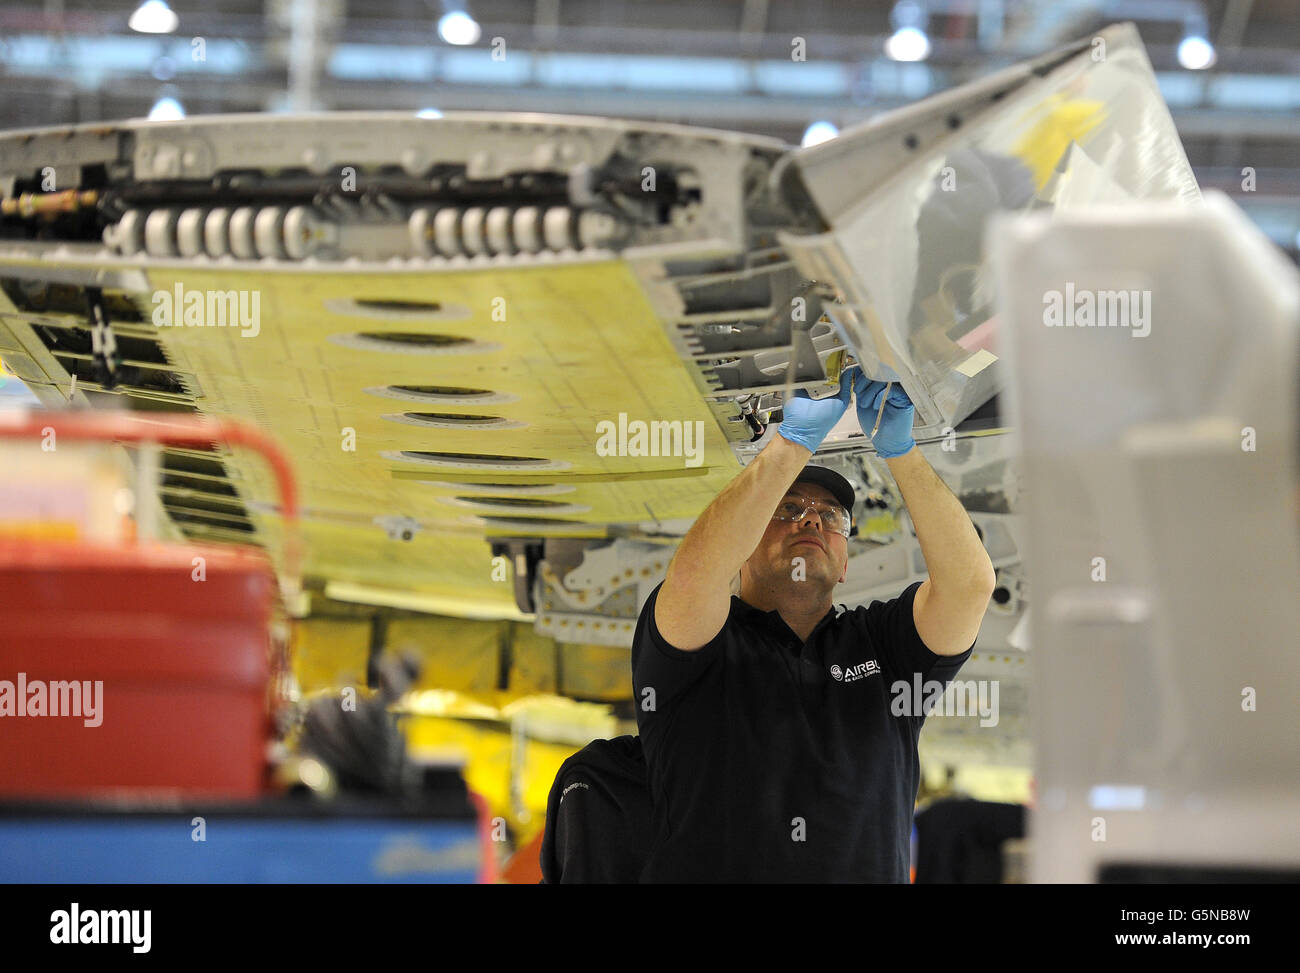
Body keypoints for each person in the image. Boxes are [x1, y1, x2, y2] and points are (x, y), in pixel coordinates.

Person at [631, 367, 996, 882]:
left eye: (832, 516)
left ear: (846, 564)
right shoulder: (705, 647)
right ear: (743, 547)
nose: (812, 520)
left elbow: (969, 587)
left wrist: (903, 452)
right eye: (788, 509)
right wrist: (789, 446)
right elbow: (692, 578)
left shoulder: (883, 649)